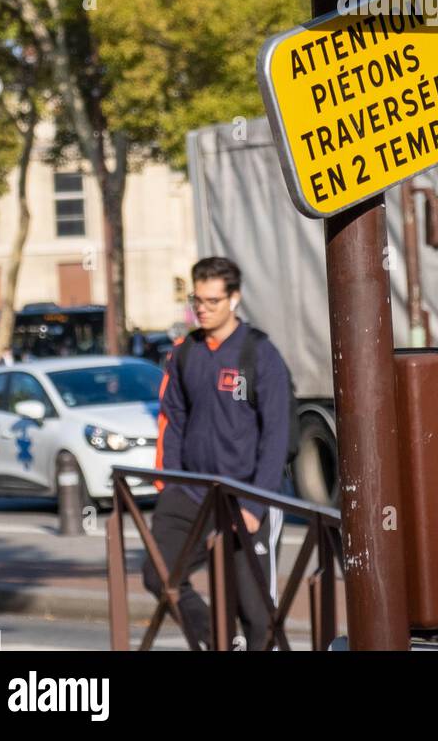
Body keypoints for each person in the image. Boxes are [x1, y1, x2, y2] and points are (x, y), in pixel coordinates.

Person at [142, 256, 290, 651]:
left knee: (256, 613)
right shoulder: (185, 352)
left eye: (212, 301)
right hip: (191, 492)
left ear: (234, 299)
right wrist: (169, 483)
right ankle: (220, 641)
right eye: (197, 300)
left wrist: (254, 505)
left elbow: (276, 435)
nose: (202, 309)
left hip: (245, 496)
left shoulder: (260, 354)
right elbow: (172, 419)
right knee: (160, 577)